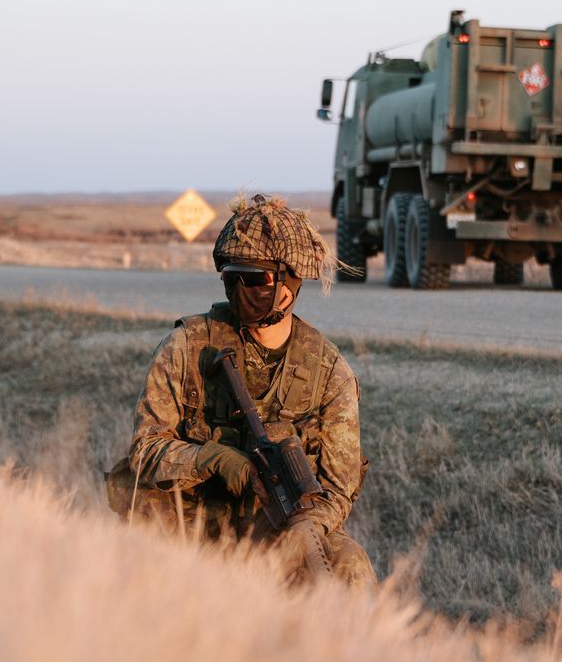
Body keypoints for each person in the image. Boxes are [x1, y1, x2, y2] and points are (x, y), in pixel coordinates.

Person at [106, 194, 376, 588]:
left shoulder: (329, 372)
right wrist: (211, 460)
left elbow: (338, 489)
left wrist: (300, 531)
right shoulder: (186, 346)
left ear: (290, 281)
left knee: (348, 569)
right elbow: (145, 452)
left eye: (255, 279)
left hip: (275, 525)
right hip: (189, 518)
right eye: (233, 278)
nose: (242, 288)